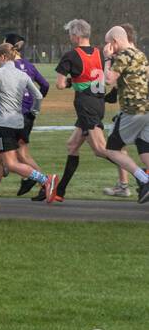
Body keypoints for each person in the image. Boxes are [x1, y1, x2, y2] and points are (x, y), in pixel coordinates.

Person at [0, 43, 57, 212]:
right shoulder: (22, 75)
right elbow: (38, 95)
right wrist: (34, 112)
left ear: (3, 57)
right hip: (19, 123)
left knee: (11, 163)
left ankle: (46, 180)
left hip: (4, 124)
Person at [52, 18, 110, 200]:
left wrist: (70, 81)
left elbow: (60, 85)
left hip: (86, 106)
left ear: (76, 36)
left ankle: (141, 174)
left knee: (101, 149)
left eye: (70, 34)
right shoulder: (100, 53)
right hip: (99, 103)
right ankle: (60, 191)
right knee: (72, 145)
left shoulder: (71, 55)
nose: (70, 37)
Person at [98, 25, 149, 203]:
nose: (107, 46)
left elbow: (109, 80)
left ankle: (144, 181)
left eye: (108, 43)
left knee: (112, 149)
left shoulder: (124, 55)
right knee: (145, 150)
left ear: (114, 42)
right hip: (147, 108)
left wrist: (107, 58)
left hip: (132, 110)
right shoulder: (140, 54)